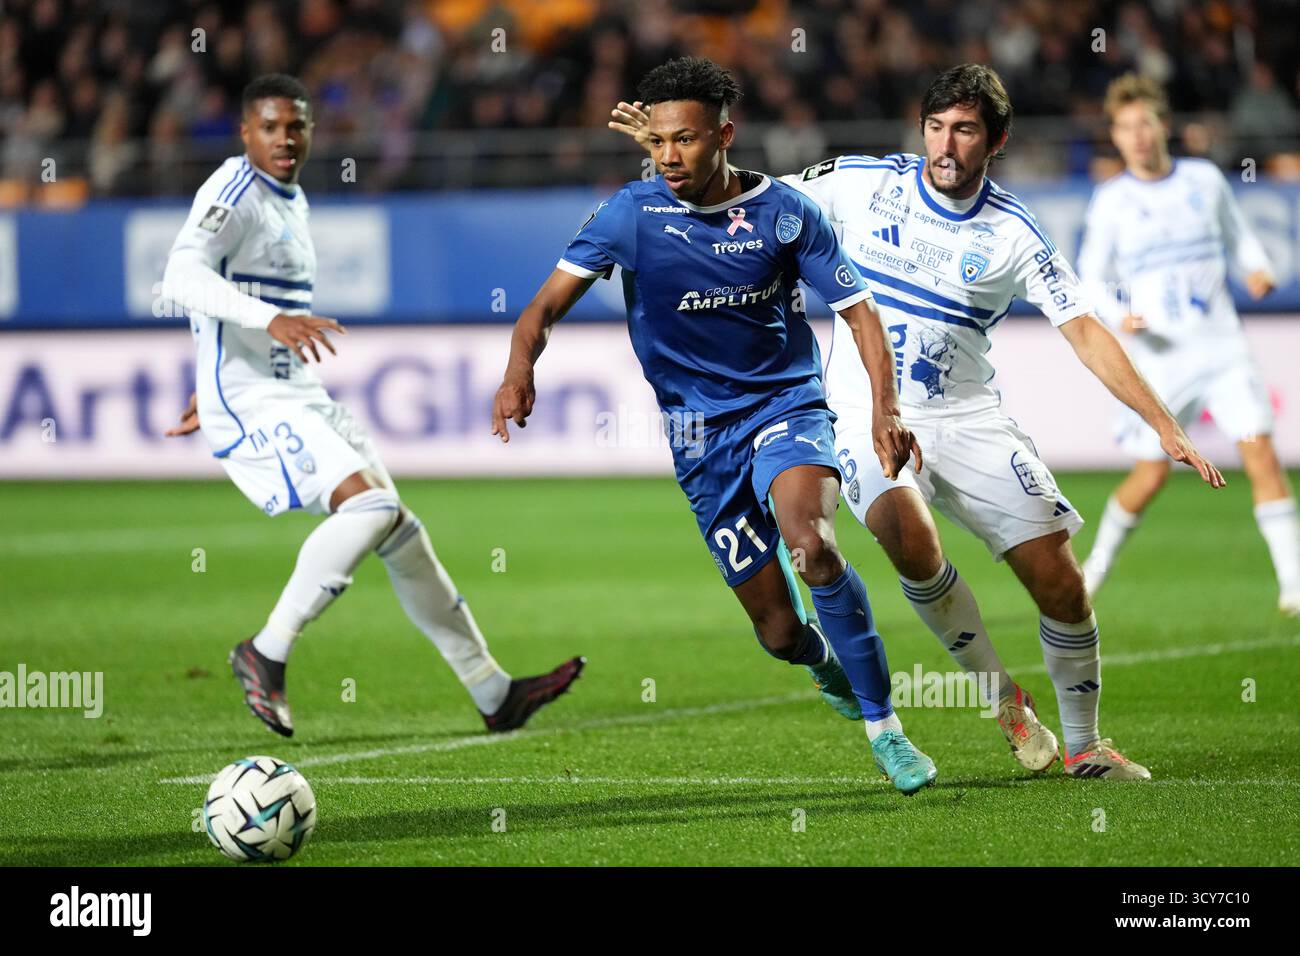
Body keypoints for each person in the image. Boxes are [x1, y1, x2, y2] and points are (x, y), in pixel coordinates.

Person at [610, 64, 1226, 780]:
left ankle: (1086, 747)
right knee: (908, 536)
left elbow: (1084, 328)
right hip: (868, 415)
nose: (945, 144)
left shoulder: (1014, 233)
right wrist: (667, 148)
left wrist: (1160, 420)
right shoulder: (861, 183)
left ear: (995, 141)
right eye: (936, 127)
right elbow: (747, 198)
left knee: (1059, 581)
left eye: (964, 130)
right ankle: (1002, 698)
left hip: (970, 418)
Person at [495, 57, 937, 794]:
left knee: (815, 547)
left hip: (783, 407)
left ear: (724, 136)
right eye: (660, 142)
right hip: (699, 437)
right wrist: (519, 370)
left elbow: (859, 313)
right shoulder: (629, 215)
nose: (671, 157)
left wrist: (885, 409)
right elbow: (540, 311)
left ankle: (885, 727)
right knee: (779, 634)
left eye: (687, 141)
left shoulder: (786, 215)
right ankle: (822, 660)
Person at [163, 73, 583, 738]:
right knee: (370, 505)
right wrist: (255, 342)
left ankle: (492, 690)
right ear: (245, 132)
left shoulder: (289, 198)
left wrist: (215, 360)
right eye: (269, 126)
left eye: (296, 125)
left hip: (289, 391)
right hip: (255, 400)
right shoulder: (235, 189)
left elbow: (226, 302)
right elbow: (182, 275)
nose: (285, 138)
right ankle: (265, 651)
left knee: (400, 532)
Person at [1076, 73, 1297, 616]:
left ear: (1163, 126)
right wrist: (1118, 314)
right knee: (1150, 474)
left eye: (1145, 124)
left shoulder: (1203, 180)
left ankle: (1293, 584)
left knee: (1262, 454)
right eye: (1126, 128)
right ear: (1117, 135)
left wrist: (1257, 269)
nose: (1138, 136)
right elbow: (1089, 276)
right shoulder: (1112, 201)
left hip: (1222, 348)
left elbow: (1237, 234)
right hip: (1160, 359)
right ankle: (1091, 574)